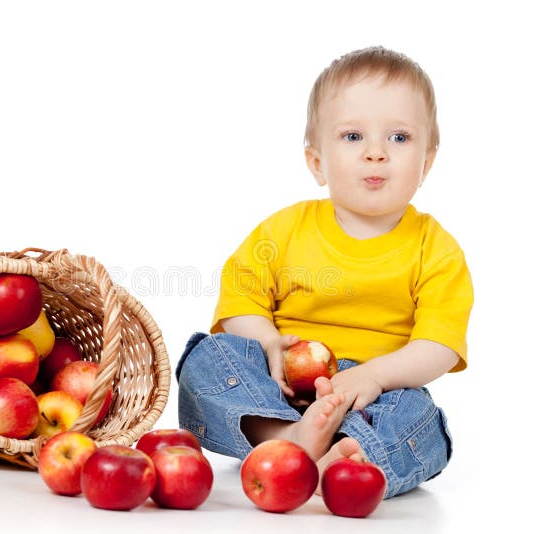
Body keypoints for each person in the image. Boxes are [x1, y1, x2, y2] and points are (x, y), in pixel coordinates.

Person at [176, 46, 473, 499]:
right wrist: (268, 343)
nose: (376, 153)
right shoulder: (284, 230)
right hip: (279, 386)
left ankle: (349, 455)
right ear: (317, 163)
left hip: (376, 395)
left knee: (422, 418)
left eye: (399, 138)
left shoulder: (437, 249)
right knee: (207, 356)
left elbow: (439, 347)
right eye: (353, 137)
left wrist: (373, 377)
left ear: (427, 163)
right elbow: (241, 297)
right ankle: (285, 436)